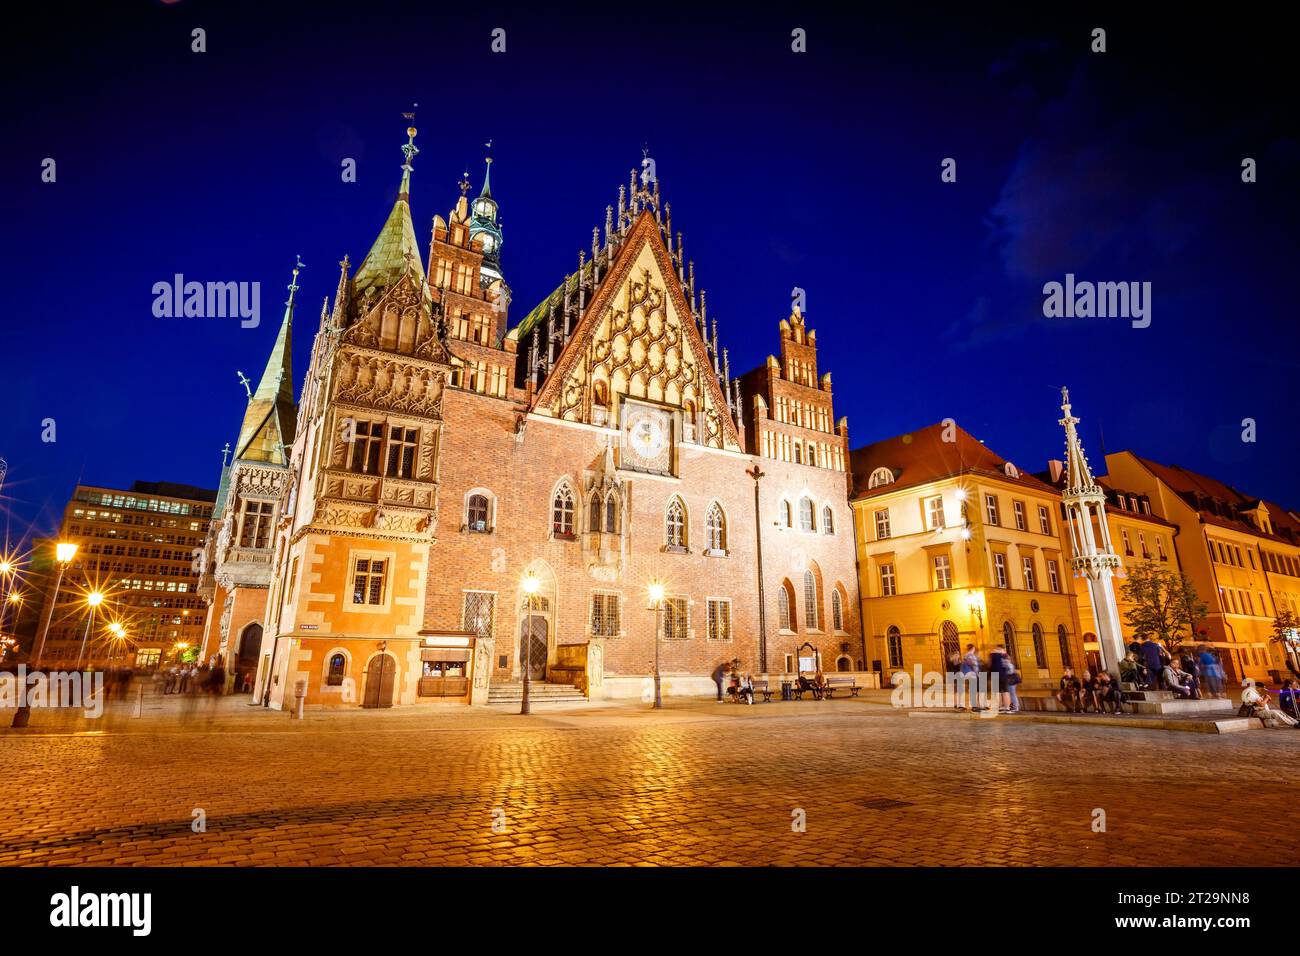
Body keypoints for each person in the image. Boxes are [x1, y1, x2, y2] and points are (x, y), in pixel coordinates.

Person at [988, 644, 1013, 714]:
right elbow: (1009, 666)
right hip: (1004, 675)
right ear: (1003, 648)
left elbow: (989, 665)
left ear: (997, 648)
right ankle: (1007, 708)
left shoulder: (992, 655)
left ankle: (998, 707)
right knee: (1006, 692)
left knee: (997, 692)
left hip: (995, 675)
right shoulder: (1005, 655)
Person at [960, 644, 983, 711]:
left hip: (969, 674)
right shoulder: (970, 655)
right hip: (972, 674)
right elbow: (974, 665)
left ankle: (977, 705)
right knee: (974, 690)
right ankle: (974, 706)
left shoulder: (966, 655)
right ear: (973, 648)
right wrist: (978, 674)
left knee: (975, 690)